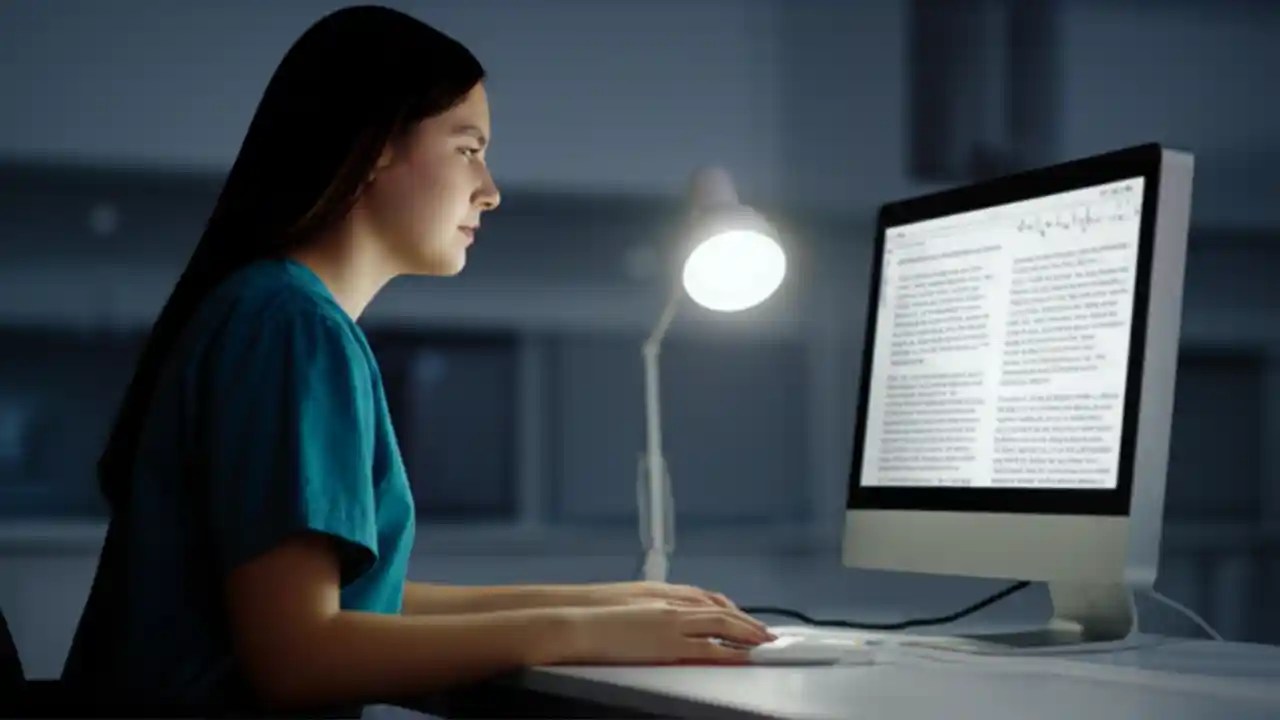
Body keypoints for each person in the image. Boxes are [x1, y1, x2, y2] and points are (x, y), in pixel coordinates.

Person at [59, 4, 774, 714]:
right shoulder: (293, 326)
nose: (489, 191)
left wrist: (604, 602)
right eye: (469, 148)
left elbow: (350, 601)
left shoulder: (274, 310)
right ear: (375, 147)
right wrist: (579, 629)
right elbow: (297, 656)